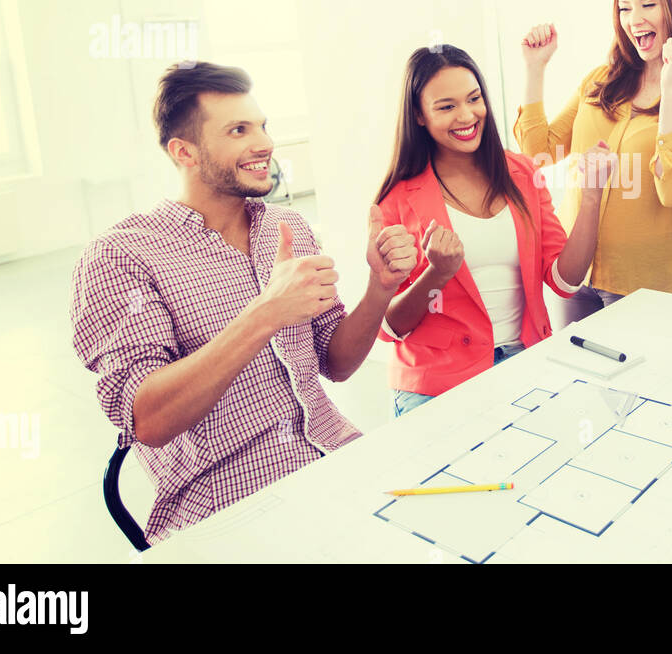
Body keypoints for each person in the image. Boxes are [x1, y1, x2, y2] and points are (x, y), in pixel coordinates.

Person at [71, 62, 416, 544]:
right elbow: (147, 419)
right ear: (183, 151)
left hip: (338, 459)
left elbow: (335, 364)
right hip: (229, 510)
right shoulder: (121, 255)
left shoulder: (287, 227)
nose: (264, 143)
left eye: (262, 126)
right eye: (238, 130)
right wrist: (267, 312)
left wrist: (380, 286)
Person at [375, 45, 613, 417]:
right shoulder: (397, 199)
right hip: (437, 386)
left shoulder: (521, 173)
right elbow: (390, 326)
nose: (467, 115)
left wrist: (593, 196)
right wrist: (436, 273)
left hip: (525, 364)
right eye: (446, 106)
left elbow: (565, 281)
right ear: (419, 116)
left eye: (474, 99)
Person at [514, 0, 672, 312]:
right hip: (578, 275)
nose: (635, 20)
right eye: (624, 8)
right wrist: (535, 69)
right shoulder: (599, 81)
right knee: (575, 370)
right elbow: (538, 153)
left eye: (649, 4)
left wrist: (669, 89)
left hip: (651, 287)